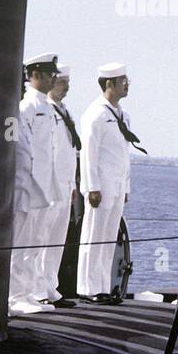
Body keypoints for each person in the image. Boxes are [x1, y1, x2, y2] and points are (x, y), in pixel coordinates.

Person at [77, 62, 137, 302]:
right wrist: (92, 187)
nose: (127, 84)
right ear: (109, 83)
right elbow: (88, 153)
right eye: (123, 80)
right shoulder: (95, 114)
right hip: (100, 187)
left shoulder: (123, 115)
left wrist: (126, 187)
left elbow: (123, 156)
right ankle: (87, 288)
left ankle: (102, 286)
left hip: (116, 186)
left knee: (109, 238)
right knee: (93, 236)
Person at [9, 53, 61, 315]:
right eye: (50, 73)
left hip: (42, 188)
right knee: (20, 244)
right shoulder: (25, 107)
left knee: (34, 243)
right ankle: (14, 296)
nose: (55, 77)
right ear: (35, 75)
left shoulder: (46, 106)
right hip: (27, 186)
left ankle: (26, 292)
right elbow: (17, 149)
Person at [39, 63, 81, 307]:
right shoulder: (46, 111)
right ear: (52, 82)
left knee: (57, 239)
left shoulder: (64, 111)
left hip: (65, 185)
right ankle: (37, 288)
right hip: (50, 186)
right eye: (63, 82)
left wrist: (72, 184)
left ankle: (50, 287)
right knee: (42, 239)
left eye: (67, 82)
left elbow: (69, 150)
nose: (67, 87)